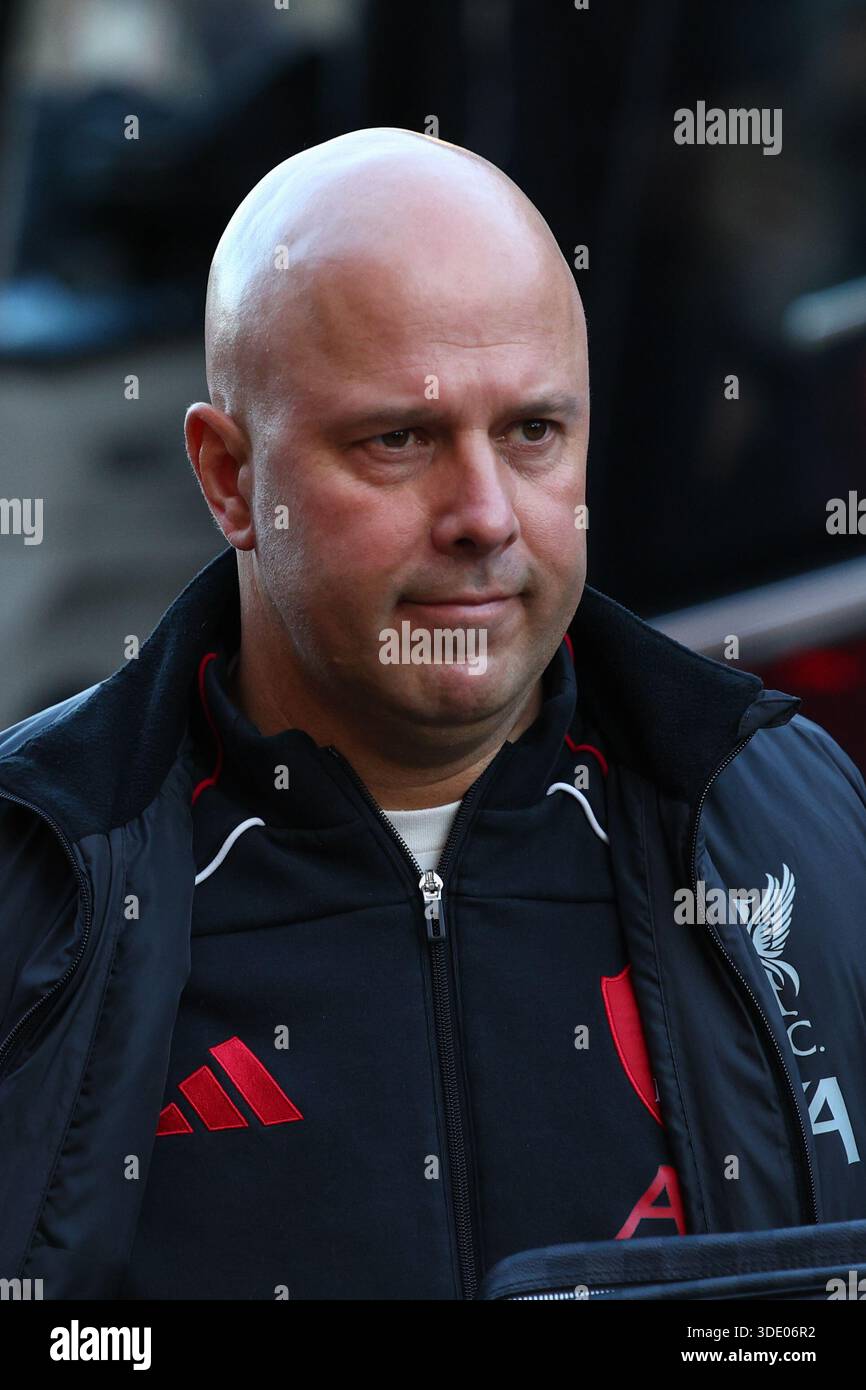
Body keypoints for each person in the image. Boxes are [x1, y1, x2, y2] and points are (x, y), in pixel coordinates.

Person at [1, 128, 865, 1302]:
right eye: (398, 440)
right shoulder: (35, 875)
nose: (484, 515)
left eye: (531, 433)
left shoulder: (789, 819)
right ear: (228, 480)